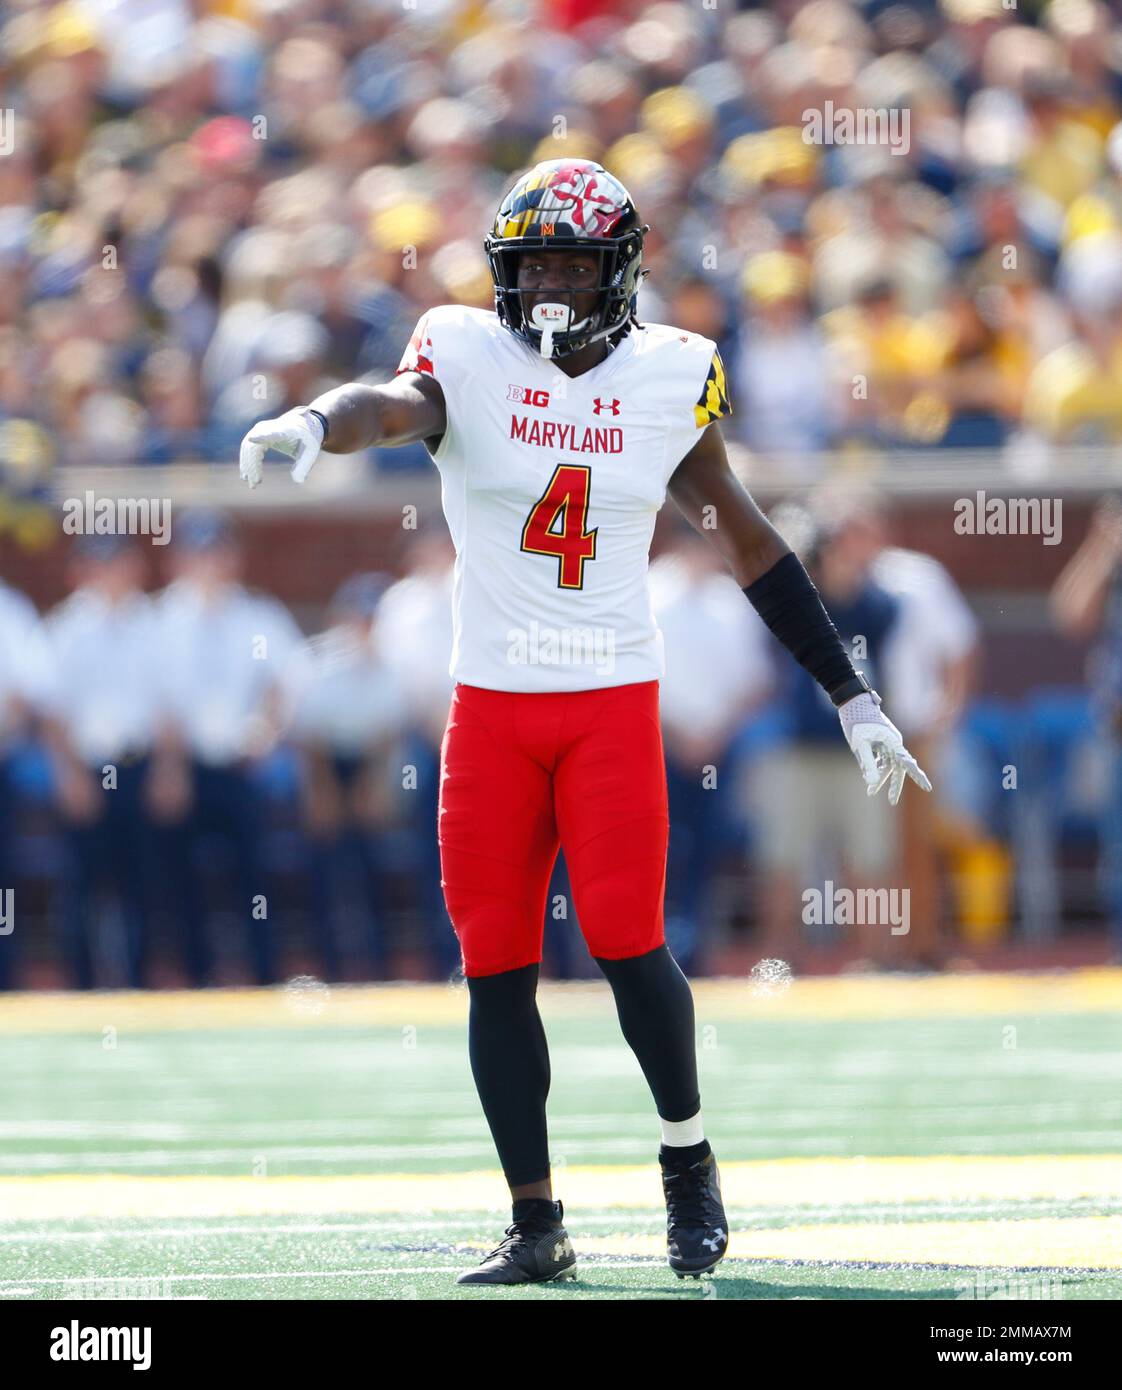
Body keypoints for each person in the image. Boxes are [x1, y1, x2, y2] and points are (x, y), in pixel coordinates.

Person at [239, 159, 929, 1285]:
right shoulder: (465, 352)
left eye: (571, 261)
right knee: (494, 963)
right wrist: (320, 418)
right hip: (493, 710)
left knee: (624, 935)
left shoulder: (670, 376)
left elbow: (750, 543)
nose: (551, 285)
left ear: (619, 271)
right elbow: (395, 404)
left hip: (608, 699)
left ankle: (686, 1157)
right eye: (534, 264)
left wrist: (848, 691)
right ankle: (536, 1218)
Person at [149, 510, 303, 986]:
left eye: (217, 551)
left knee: (255, 877)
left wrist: (266, 727)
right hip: (187, 764)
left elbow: (290, 678)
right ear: (180, 561)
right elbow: (159, 699)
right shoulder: (162, 618)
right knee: (181, 879)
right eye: (199, 552)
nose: (209, 562)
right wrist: (169, 768)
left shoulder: (257, 614)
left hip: (241, 767)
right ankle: (195, 977)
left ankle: (262, 976)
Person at [41, 537, 163, 988]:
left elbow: (165, 706)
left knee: (141, 883)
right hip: (87, 768)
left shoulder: (151, 623)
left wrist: (166, 769)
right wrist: (70, 776)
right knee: (82, 886)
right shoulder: (66, 628)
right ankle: (83, 987)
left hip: (137, 766)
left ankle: (138, 985)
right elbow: (53, 713)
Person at [289, 573, 408, 980]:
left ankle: (377, 964)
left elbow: (388, 736)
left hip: (368, 766)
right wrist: (321, 791)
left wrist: (376, 786)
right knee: (325, 864)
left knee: (372, 865)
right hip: (325, 765)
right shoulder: (318, 662)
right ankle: (329, 963)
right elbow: (308, 737)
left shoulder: (392, 665)